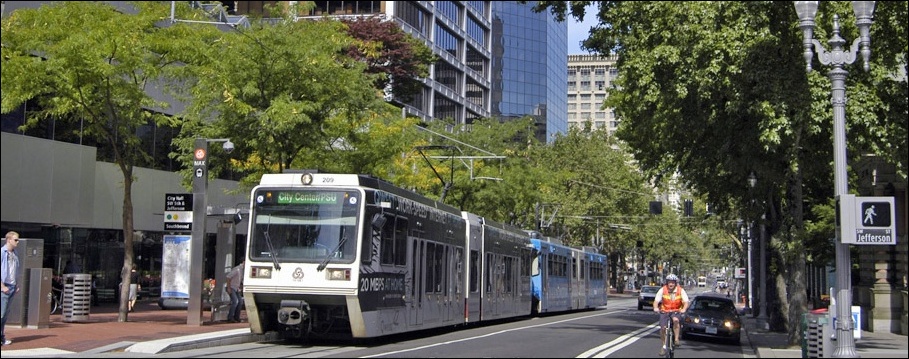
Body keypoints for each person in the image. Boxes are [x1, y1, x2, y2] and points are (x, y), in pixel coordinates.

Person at [653, 273, 689, 356]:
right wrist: (656, 308)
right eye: (669, 282)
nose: (671, 284)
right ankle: (663, 346)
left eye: (673, 282)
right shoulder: (662, 290)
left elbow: (686, 302)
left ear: (675, 283)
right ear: (667, 283)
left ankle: (676, 339)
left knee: (676, 320)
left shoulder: (681, 290)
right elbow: (656, 301)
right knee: (663, 328)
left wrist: (683, 309)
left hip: (676, 311)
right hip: (664, 311)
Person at [2, 231, 22, 346]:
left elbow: (15, 270)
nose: (17, 242)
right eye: (16, 240)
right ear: (9, 240)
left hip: (11, 287)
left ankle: (2, 337)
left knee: (4, 316)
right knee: (1, 314)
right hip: (4, 287)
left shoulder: (15, 254)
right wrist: (2, 286)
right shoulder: (2, 253)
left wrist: (16, 284)